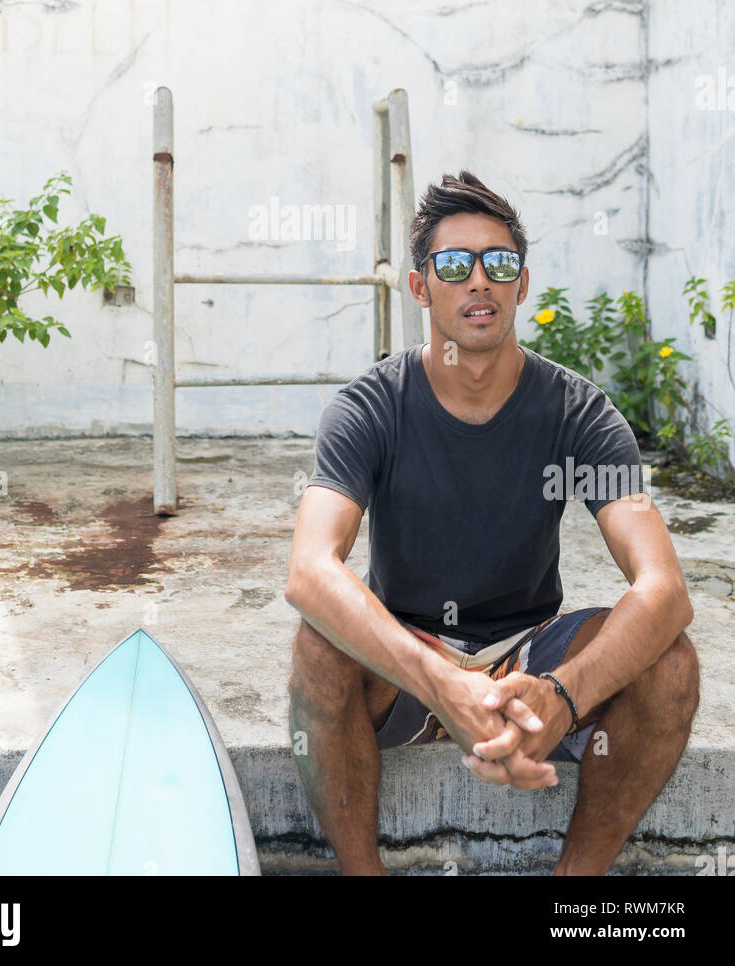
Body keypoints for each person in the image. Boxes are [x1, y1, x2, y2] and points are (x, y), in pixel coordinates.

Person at [284, 170, 699, 876]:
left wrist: (562, 699)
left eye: (498, 263)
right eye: (454, 265)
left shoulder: (576, 411)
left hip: (528, 650)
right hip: (407, 659)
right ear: (421, 287)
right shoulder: (371, 407)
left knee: (671, 661)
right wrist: (438, 679)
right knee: (318, 647)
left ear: (521, 283)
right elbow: (309, 570)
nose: (479, 280)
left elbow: (664, 588)